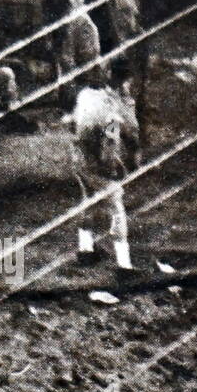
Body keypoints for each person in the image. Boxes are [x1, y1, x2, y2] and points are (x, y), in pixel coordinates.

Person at [73, 60, 139, 270]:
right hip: (98, 161)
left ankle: (85, 249)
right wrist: (111, 167)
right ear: (124, 82)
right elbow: (111, 142)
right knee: (117, 207)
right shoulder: (114, 110)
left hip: (79, 157)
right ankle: (124, 264)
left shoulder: (85, 95)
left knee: (88, 200)